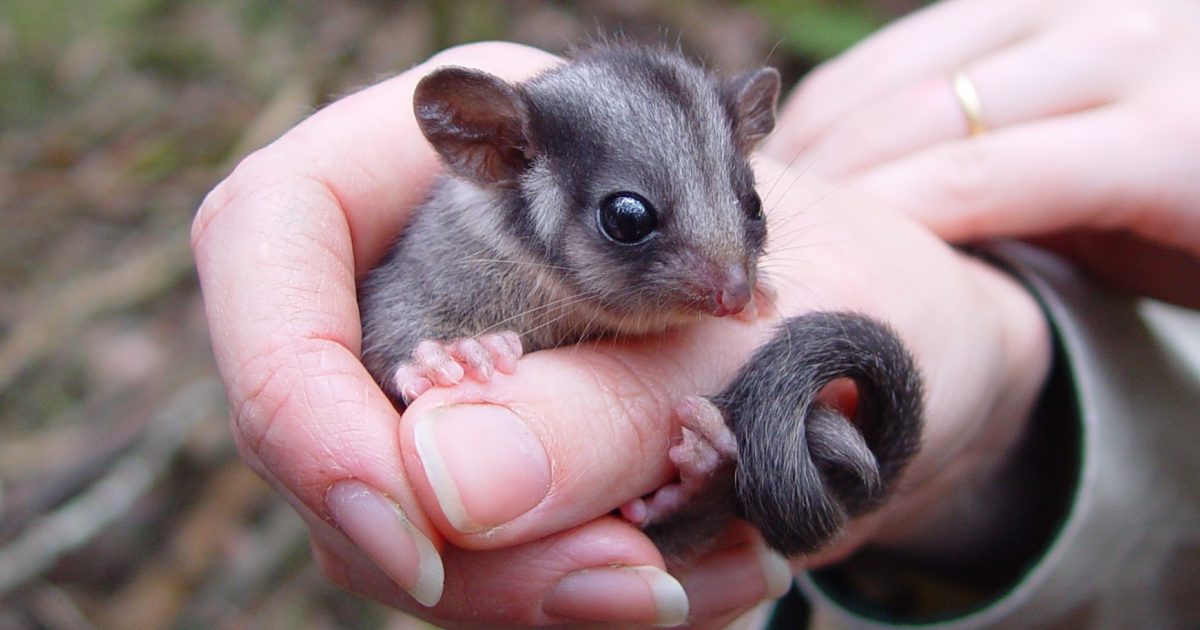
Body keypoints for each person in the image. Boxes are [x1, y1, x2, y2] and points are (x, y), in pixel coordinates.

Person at [190, 0, 1199, 626]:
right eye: (634, 220)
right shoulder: (462, 250)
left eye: (747, 214)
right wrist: (421, 371)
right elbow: (391, 349)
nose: (726, 284)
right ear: (497, 153)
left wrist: (997, 413)